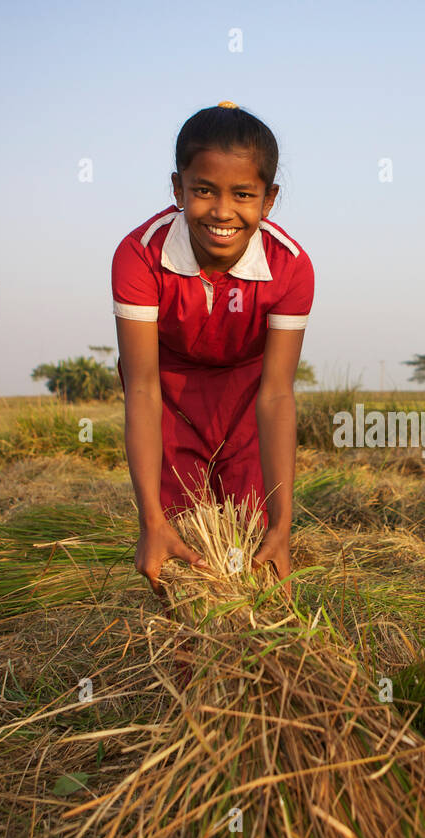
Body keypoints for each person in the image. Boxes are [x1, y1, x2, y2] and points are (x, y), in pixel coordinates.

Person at [111, 102, 314, 596]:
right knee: (183, 545)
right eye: (203, 190)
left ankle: (267, 656)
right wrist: (150, 521)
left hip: (247, 398)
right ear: (178, 189)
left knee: (252, 536)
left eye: (243, 194)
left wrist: (283, 525)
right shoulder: (140, 255)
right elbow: (140, 387)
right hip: (170, 398)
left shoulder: (291, 268)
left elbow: (277, 394)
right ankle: (186, 658)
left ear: (269, 201)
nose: (222, 211)